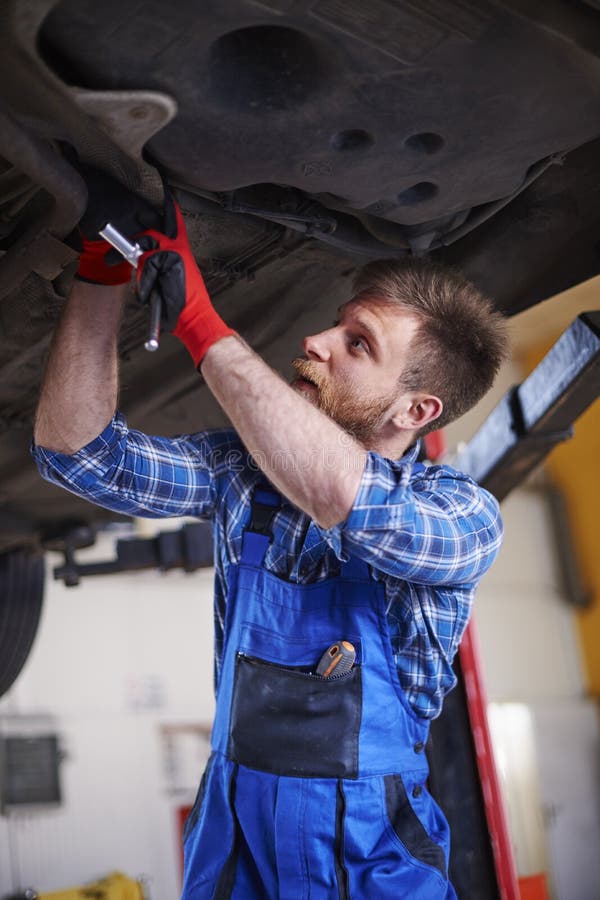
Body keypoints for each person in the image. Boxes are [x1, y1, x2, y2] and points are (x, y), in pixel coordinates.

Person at [32, 175, 508, 899]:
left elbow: (344, 498)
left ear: (416, 408)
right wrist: (103, 269)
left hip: (367, 851)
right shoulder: (242, 473)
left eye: (356, 344)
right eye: (334, 324)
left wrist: (201, 323)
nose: (313, 341)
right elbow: (80, 457)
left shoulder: (461, 517)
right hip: (233, 829)